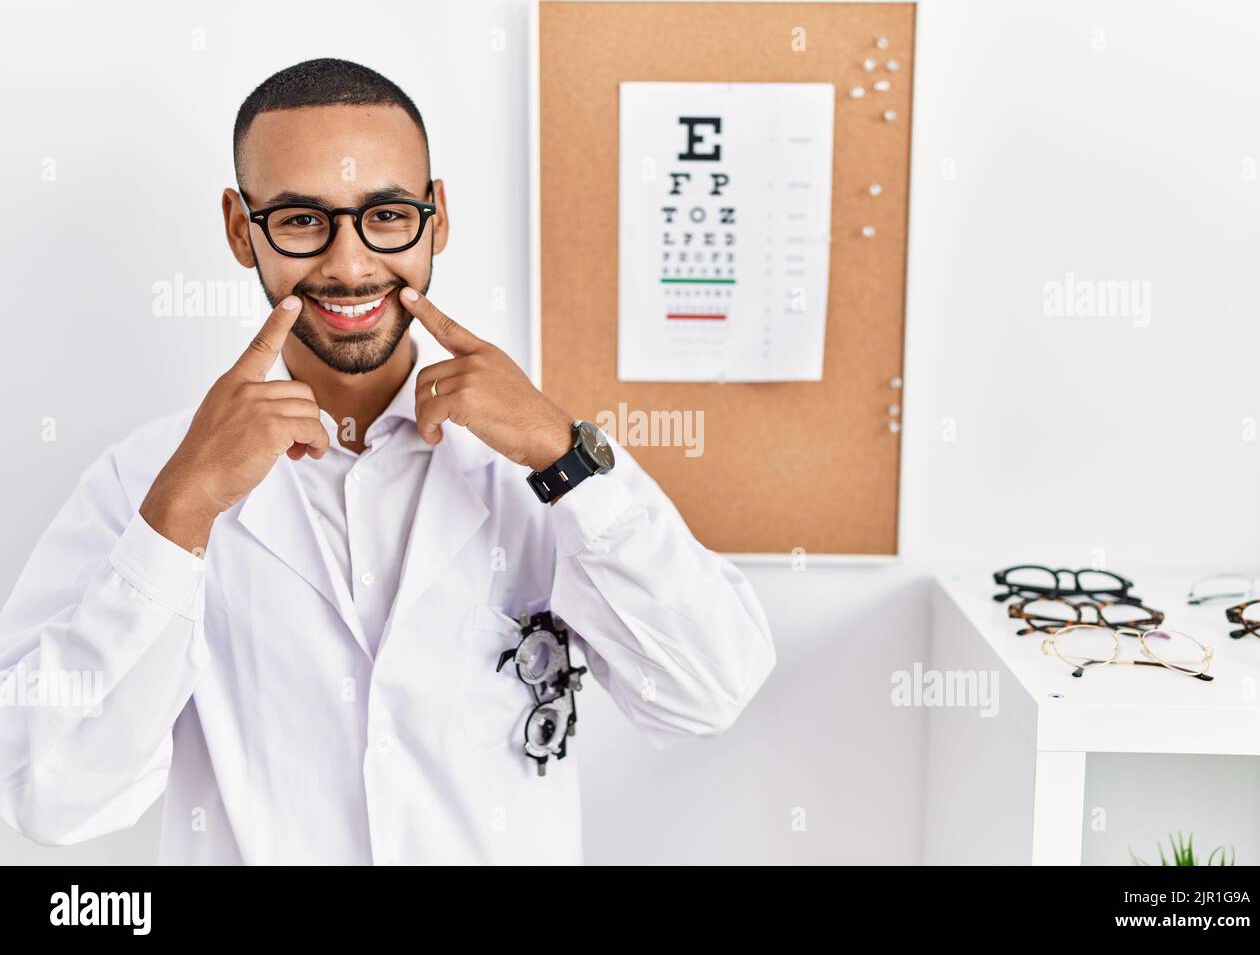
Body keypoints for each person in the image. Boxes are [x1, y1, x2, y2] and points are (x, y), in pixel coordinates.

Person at [0, 59, 776, 864]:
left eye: (387, 215)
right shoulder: (148, 480)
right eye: (302, 219)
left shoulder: (545, 464)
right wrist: (179, 519)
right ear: (241, 229)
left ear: (436, 216)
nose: (349, 264)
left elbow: (707, 691)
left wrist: (562, 456)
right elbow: (49, 795)